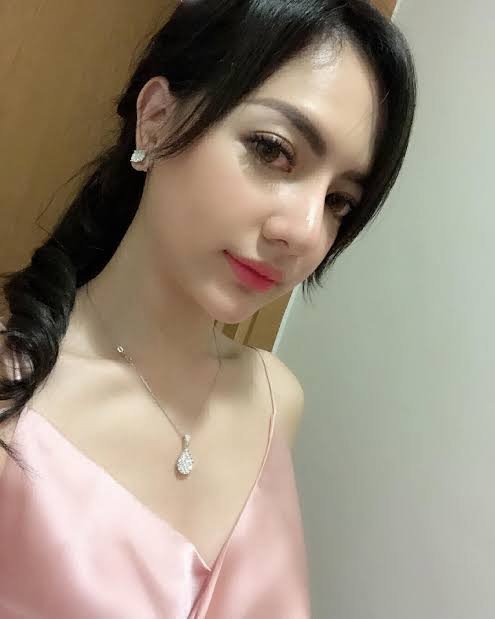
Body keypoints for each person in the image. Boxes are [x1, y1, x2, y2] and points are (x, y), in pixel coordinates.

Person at [0, 0, 416, 616]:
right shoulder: (14, 390)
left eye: (339, 201)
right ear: (157, 119)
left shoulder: (275, 399)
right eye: (273, 150)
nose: (305, 231)